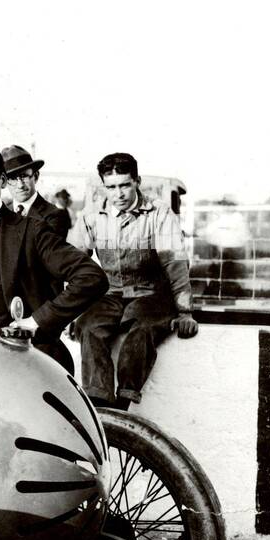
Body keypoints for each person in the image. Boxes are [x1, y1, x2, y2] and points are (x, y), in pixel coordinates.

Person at [0, 143, 106, 372]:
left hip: (15, 365)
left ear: (2, 181)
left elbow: (91, 277)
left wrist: (37, 321)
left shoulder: (32, 231)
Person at [69, 152, 199, 409]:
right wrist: (70, 313)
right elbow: (73, 266)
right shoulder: (92, 216)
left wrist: (185, 312)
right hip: (111, 294)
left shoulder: (159, 213)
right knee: (88, 327)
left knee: (140, 329)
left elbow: (175, 264)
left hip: (151, 295)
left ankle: (124, 402)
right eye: (111, 187)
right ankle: (99, 404)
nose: (118, 194)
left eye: (125, 185)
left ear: (137, 181)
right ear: (103, 186)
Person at [2, 145, 70, 240]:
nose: (20, 185)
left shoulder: (54, 216)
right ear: (4, 182)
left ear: (36, 176)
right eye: (12, 178)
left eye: (24, 176)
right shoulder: (1, 213)